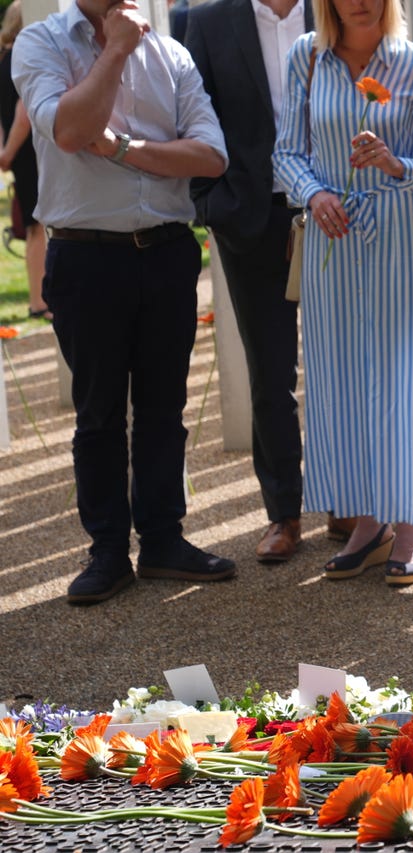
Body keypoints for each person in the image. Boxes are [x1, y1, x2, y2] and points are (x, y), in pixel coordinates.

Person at [13, 0, 235, 605]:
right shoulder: (42, 45)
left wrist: (121, 149)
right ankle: (108, 551)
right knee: (99, 415)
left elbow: (212, 154)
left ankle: (163, 540)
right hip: (86, 258)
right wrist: (113, 50)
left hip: (166, 251)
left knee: (165, 409)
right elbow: (66, 129)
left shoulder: (172, 53)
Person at [272, 0, 413, 585]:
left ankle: (408, 527)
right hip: (331, 244)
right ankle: (366, 523)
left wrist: (395, 165)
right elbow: (287, 153)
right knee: (341, 381)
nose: (358, 1)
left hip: (402, 241)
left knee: (405, 380)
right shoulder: (305, 60)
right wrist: (313, 193)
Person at [184, 0, 311, 564]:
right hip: (251, 220)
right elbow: (190, 114)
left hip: (336, 214)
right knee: (271, 374)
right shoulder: (209, 22)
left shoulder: (334, 9)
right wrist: (212, 205)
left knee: (345, 370)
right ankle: (283, 512)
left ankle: (349, 503)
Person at [0, 2, 49, 321]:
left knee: (34, 227)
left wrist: (4, 152)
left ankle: (38, 300)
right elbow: (26, 111)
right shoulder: (25, 55)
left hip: (18, 154)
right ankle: (41, 302)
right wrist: (9, 151)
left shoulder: (2, 59)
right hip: (30, 151)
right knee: (40, 225)